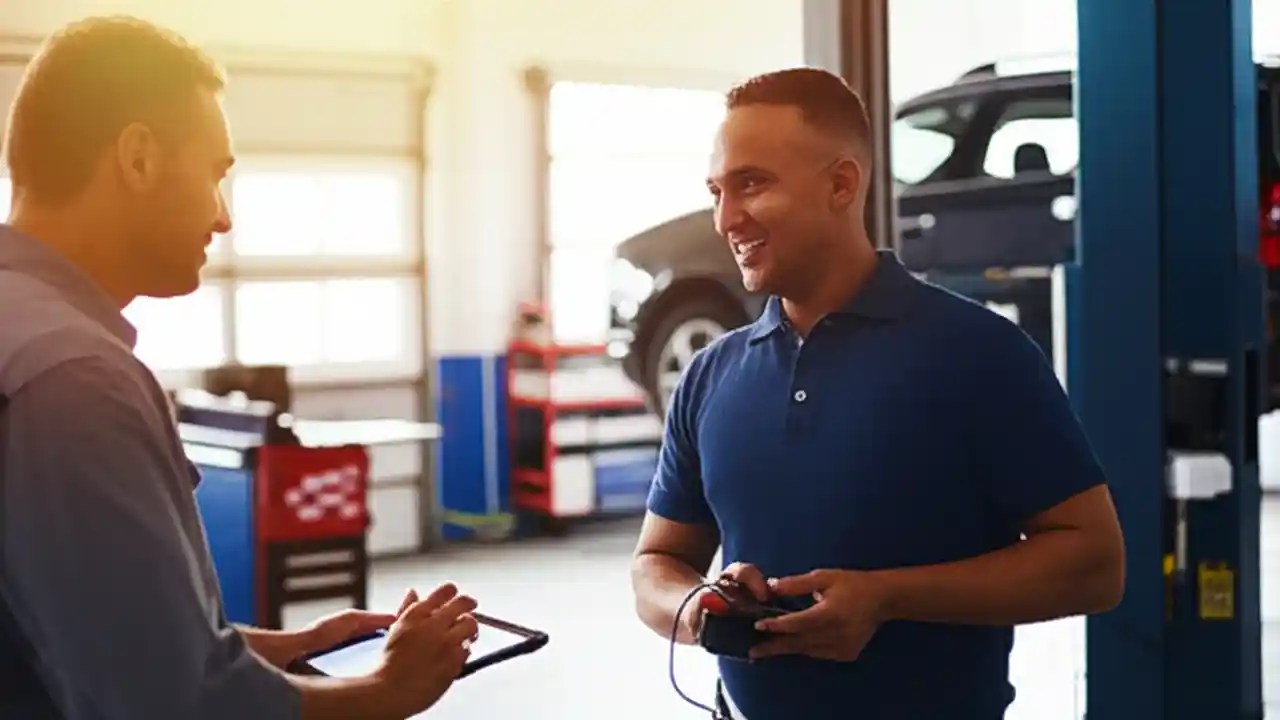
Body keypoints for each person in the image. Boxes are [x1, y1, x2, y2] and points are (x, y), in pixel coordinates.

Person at [0, 16, 476, 720]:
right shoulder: (74, 379)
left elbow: (82, 627)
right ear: (138, 158)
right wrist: (383, 693)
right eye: (216, 175)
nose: (222, 219)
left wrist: (269, 648)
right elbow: (175, 704)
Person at [630, 67, 1126, 719]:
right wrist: (701, 608)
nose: (726, 218)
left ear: (841, 184)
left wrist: (888, 597)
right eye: (718, 190)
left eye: (752, 184)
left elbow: (1096, 564)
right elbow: (656, 564)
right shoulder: (710, 376)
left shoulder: (976, 354)